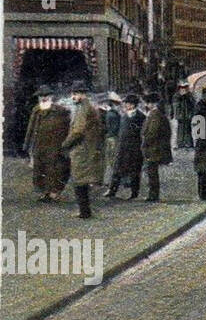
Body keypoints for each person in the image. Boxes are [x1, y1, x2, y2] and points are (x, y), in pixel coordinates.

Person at [60, 81, 104, 219]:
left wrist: (65, 144)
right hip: (86, 148)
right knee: (82, 181)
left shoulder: (83, 108)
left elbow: (78, 131)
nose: (73, 97)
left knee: (79, 182)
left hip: (82, 150)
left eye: (74, 94)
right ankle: (85, 211)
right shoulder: (87, 107)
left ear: (82, 94)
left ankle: (84, 212)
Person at [23, 84, 70, 203]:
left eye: (46, 95)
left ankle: (55, 193)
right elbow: (31, 127)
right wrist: (27, 144)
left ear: (51, 96)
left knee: (55, 170)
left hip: (55, 145)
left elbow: (67, 127)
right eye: (41, 96)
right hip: (39, 145)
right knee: (40, 170)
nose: (44, 98)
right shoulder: (36, 110)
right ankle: (45, 193)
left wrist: (65, 144)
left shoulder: (60, 111)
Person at [105, 93, 144, 199]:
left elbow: (141, 132)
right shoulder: (124, 115)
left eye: (127, 103)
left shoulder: (140, 116)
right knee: (117, 170)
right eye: (125, 103)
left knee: (134, 172)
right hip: (123, 147)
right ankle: (112, 191)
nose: (125, 105)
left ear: (133, 105)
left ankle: (134, 193)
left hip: (134, 148)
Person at [141, 92, 173, 202]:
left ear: (151, 104)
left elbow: (152, 132)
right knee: (151, 172)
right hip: (154, 147)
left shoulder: (155, 115)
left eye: (147, 103)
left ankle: (153, 195)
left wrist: (145, 142)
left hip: (153, 148)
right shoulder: (155, 114)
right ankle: (153, 194)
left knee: (152, 172)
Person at [172, 82, 195, 149]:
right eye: (182, 88)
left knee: (188, 129)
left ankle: (189, 143)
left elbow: (193, 104)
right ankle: (180, 143)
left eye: (185, 88)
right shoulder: (176, 96)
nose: (184, 90)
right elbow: (176, 106)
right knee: (181, 130)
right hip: (180, 116)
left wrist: (191, 114)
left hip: (188, 116)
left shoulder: (189, 95)